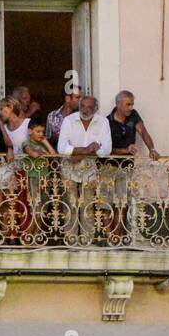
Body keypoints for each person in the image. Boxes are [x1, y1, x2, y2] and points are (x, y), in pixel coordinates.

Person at [57, 93, 113, 243]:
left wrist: (91, 150)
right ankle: (71, 240)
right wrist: (87, 150)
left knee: (88, 205)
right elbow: (61, 148)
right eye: (83, 106)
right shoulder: (69, 120)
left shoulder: (103, 122)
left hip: (90, 168)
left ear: (95, 109)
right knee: (70, 204)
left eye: (89, 107)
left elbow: (106, 150)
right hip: (69, 168)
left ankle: (86, 241)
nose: (85, 110)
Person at [108, 90, 160, 161]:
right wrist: (125, 150)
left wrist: (152, 149)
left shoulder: (133, 114)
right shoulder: (107, 121)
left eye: (132, 104)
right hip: (110, 165)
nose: (131, 108)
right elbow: (104, 149)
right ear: (118, 104)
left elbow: (142, 131)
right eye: (128, 104)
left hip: (128, 164)